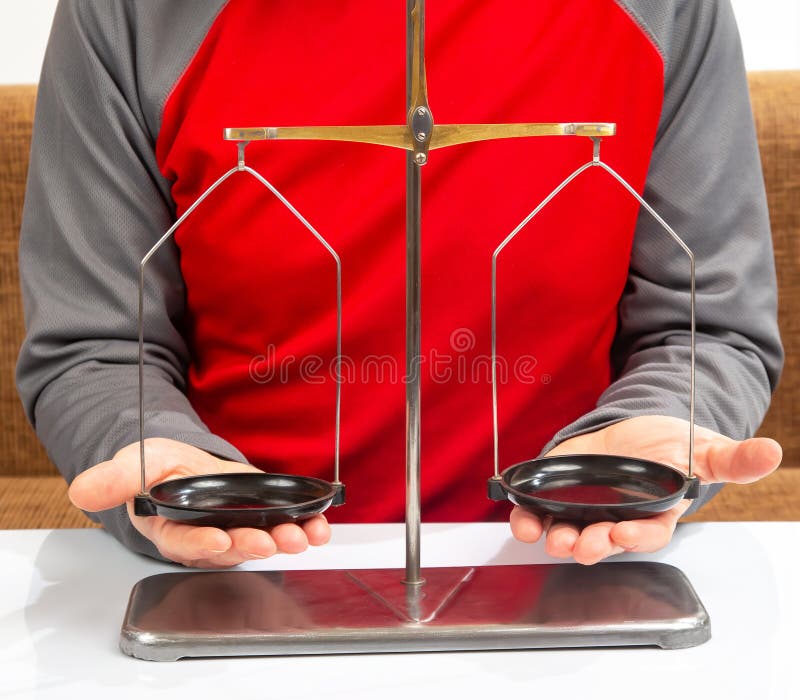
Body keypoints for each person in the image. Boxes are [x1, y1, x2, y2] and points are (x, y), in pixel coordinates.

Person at [17, 0, 783, 568]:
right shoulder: (130, 15)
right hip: (248, 565)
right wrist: (156, 458)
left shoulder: (664, 11)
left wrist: (660, 437)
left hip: (565, 561)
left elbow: (706, 325)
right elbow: (95, 345)